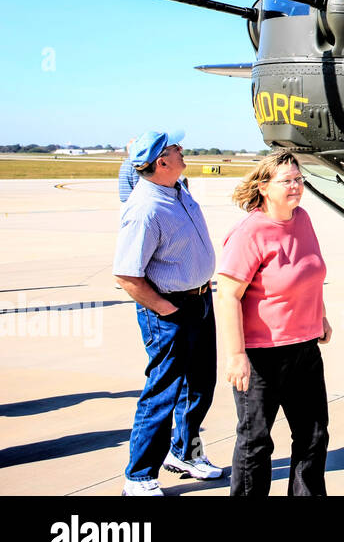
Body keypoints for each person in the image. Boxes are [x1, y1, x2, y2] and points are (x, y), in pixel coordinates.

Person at [112, 129, 221, 496]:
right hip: (171, 310)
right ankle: (139, 476)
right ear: (161, 161)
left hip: (200, 301)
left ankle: (185, 453)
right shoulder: (145, 209)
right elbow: (127, 275)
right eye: (176, 148)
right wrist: (166, 309)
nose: (182, 150)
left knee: (201, 386)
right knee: (162, 392)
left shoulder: (177, 189)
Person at [217, 149, 331, 496]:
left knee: (313, 436)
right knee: (256, 443)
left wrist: (321, 315)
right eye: (287, 181)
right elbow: (226, 295)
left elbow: (310, 272)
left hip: (305, 349)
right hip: (261, 357)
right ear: (264, 187)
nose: (296, 186)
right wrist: (236, 355)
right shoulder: (250, 232)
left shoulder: (303, 219)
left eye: (299, 179)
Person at [117, 138, 139, 202]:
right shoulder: (135, 164)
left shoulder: (125, 163)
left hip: (126, 200)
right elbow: (138, 186)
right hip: (133, 201)